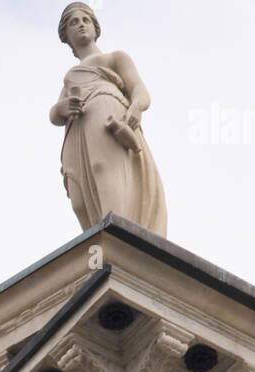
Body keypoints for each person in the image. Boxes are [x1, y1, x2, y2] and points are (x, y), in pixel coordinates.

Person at [50, 3, 167, 236]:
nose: (81, 25)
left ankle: (116, 235)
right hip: (76, 130)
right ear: (67, 36)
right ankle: (95, 241)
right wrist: (63, 107)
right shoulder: (71, 76)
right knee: (78, 198)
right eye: (74, 22)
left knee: (105, 169)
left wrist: (136, 107)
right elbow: (54, 115)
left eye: (85, 20)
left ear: (95, 27)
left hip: (106, 113)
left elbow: (140, 90)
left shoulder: (115, 58)